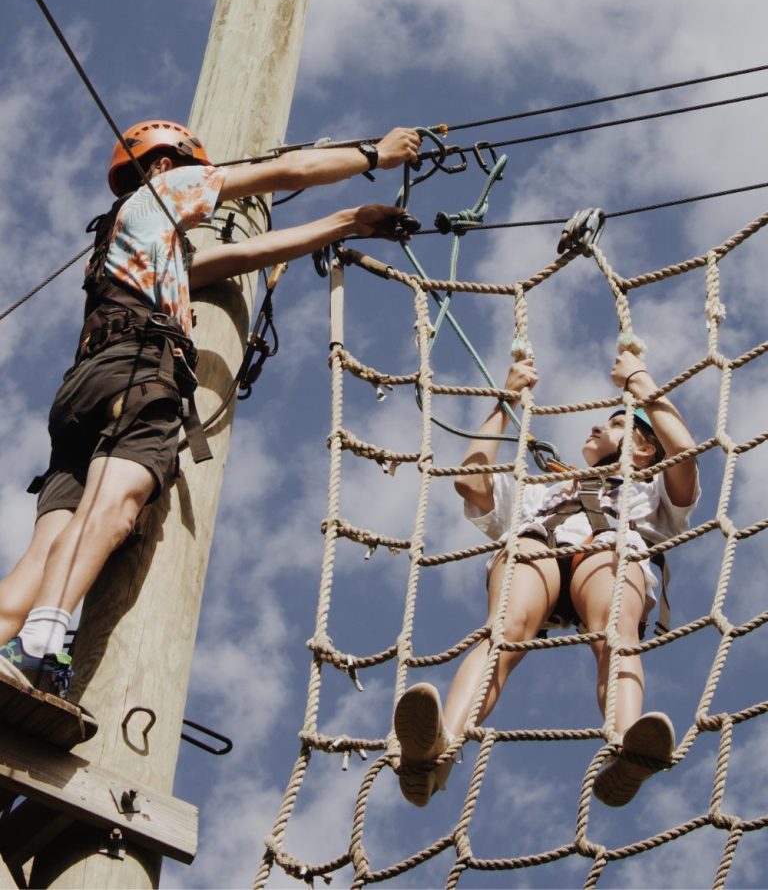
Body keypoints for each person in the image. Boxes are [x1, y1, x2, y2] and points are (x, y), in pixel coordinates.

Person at [0, 119, 421, 700]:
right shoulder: (163, 190)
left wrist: (348, 222)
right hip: (136, 371)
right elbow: (282, 172)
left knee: (51, 540)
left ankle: (10, 642)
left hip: (84, 388)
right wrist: (375, 153)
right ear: (169, 166)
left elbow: (247, 253)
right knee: (115, 506)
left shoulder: (138, 244)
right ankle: (41, 646)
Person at [393, 349, 699, 808]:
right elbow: (471, 481)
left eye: (617, 425)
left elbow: (685, 456)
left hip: (610, 548)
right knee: (503, 634)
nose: (597, 426)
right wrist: (506, 400)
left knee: (614, 636)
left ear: (642, 447)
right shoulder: (542, 488)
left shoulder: (650, 486)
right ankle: (438, 751)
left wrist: (640, 380)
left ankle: (626, 745)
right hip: (538, 544)